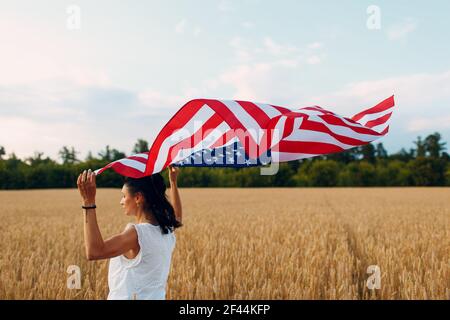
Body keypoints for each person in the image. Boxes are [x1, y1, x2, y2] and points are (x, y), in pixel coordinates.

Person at [76, 165, 182, 300]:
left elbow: (94, 251)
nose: (121, 201)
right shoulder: (167, 230)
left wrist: (88, 201)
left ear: (138, 198)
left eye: (124, 195)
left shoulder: (138, 234)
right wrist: (173, 182)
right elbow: (177, 217)